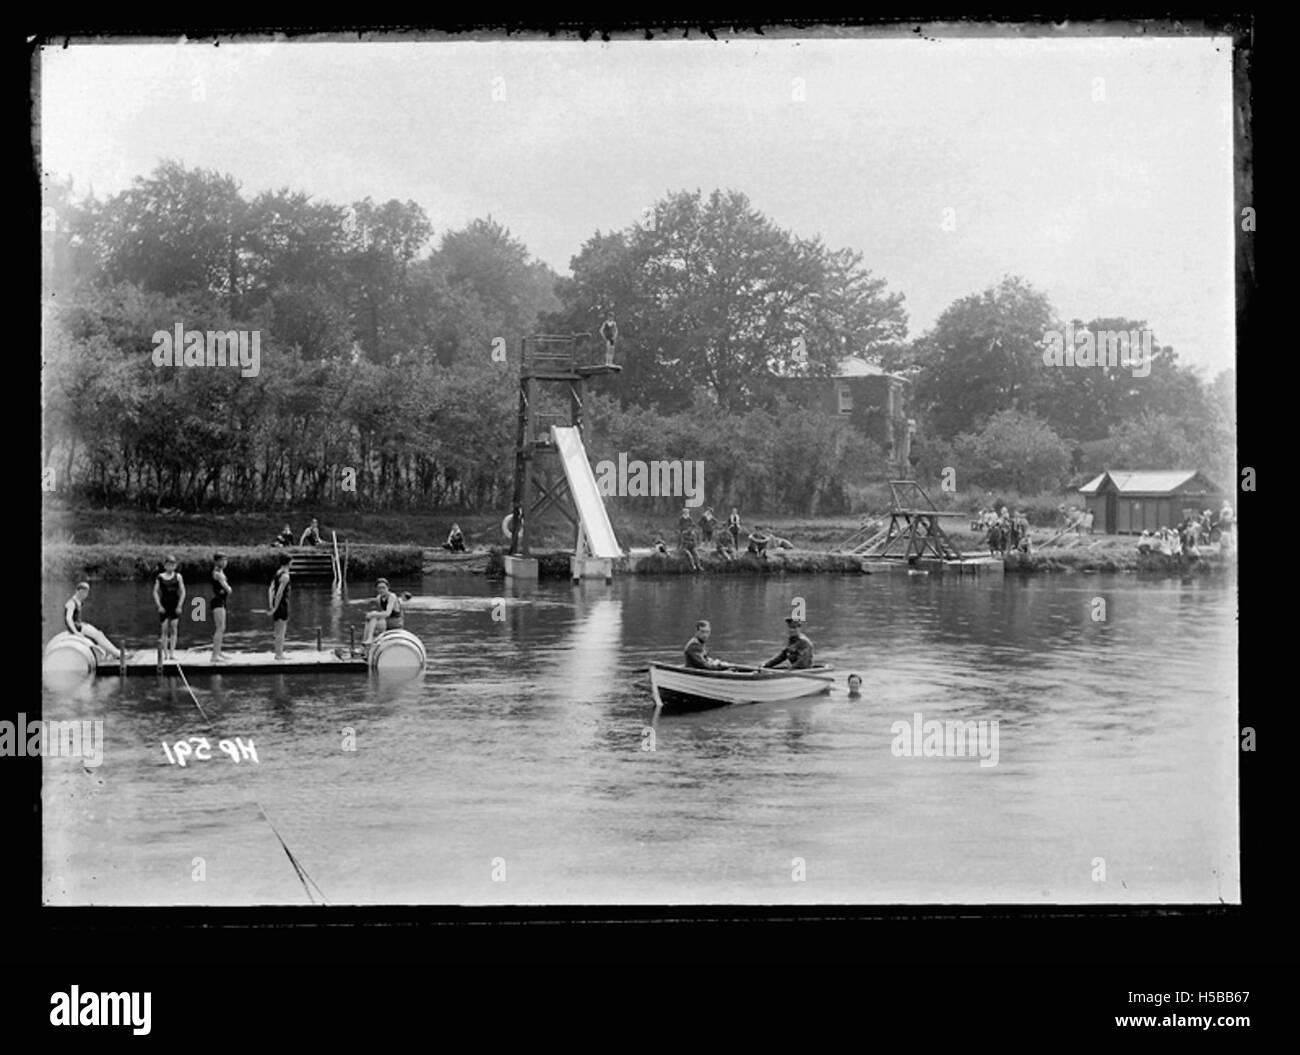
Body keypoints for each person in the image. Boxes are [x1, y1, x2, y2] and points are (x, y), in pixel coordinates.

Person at [63, 581, 121, 660]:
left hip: (80, 624)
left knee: (100, 633)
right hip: (76, 627)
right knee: (97, 635)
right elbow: (68, 619)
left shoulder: (79, 601)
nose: (84, 595)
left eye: (86, 593)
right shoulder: (71, 603)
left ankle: (114, 651)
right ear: (77, 591)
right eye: (82, 593)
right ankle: (117, 653)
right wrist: (76, 632)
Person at [153, 555, 185, 661]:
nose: (170, 567)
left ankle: (172, 653)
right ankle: (165, 654)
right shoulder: (160, 577)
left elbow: (183, 592)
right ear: (165, 566)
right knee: (164, 629)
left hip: (175, 604)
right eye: (168, 565)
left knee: (174, 628)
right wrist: (159, 606)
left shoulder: (178, 577)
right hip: (164, 604)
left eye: (172, 565)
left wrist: (180, 605)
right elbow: (155, 592)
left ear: (175, 566)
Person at [362, 578, 404, 646]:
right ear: (376, 589)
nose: (381, 590)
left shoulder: (392, 596)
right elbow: (382, 613)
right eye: (379, 588)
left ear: (388, 588)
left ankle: (370, 639)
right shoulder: (379, 598)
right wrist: (371, 615)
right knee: (370, 619)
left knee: (373, 615)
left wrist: (373, 614)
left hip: (395, 623)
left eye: (383, 588)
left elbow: (387, 613)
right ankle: (365, 642)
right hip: (386, 622)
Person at [268, 554, 292, 660]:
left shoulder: (277, 573)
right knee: (281, 632)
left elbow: (270, 590)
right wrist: (276, 607)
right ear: (289, 563)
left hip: (276, 604)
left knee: (277, 631)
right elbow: (279, 593)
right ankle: (279, 655)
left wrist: (271, 604)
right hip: (282, 605)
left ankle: (277, 653)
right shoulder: (286, 576)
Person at [211, 553, 232, 663]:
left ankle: (219, 652)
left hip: (222, 601)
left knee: (222, 628)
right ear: (216, 562)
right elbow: (228, 588)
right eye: (222, 561)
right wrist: (228, 588)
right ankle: (214, 656)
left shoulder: (221, 572)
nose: (224, 563)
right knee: (220, 627)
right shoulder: (217, 573)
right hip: (217, 601)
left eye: (225, 560)